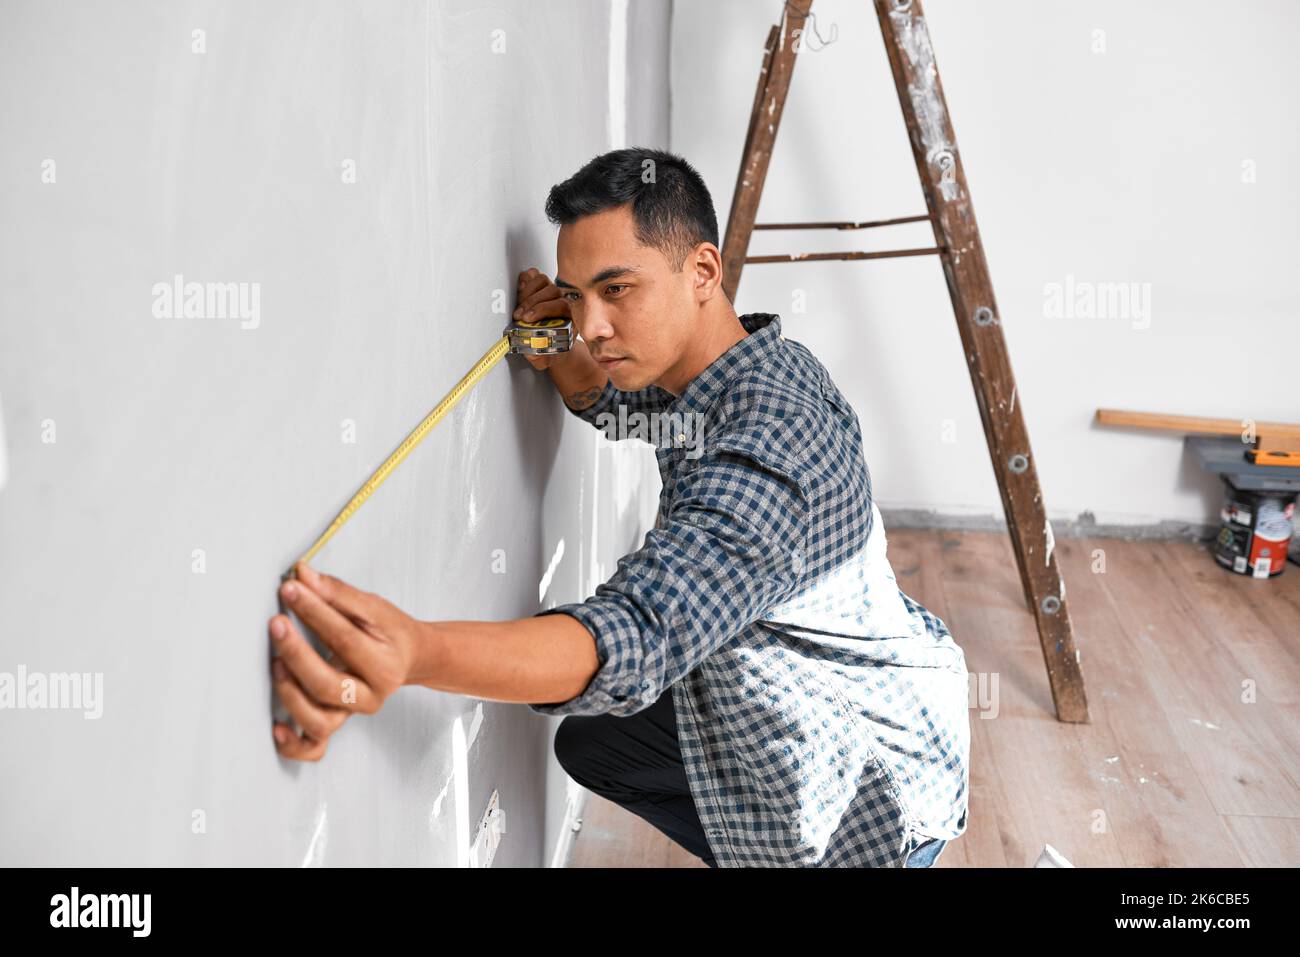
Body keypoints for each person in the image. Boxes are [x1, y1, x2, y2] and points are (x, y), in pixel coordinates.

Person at [268, 147, 970, 868]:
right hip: (832, 696)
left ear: (702, 271)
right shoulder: (739, 368)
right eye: (576, 297)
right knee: (595, 739)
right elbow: (641, 413)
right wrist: (567, 362)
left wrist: (416, 651)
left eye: (616, 290)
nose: (592, 325)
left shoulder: (772, 451)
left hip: (873, 797)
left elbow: (636, 632)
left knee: (624, 702)